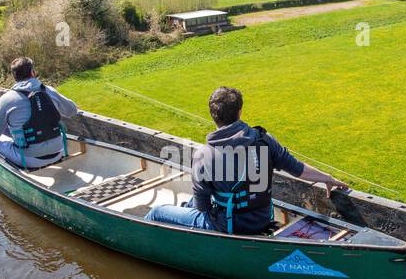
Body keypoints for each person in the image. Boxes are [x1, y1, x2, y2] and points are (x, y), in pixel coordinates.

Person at [145, 86, 346, 234]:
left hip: (230, 226)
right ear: (240, 112)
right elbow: (298, 168)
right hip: (263, 219)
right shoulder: (264, 140)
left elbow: (203, 208)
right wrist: (326, 177)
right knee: (189, 203)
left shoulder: (202, 156)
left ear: (212, 115)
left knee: (157, 212)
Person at [0, 57, 78, 168]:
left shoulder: (7, 99)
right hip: (59, 151)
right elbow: (72, 110)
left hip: (30, 160)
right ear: (33, 72)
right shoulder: (49, 90)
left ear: (14, 76)